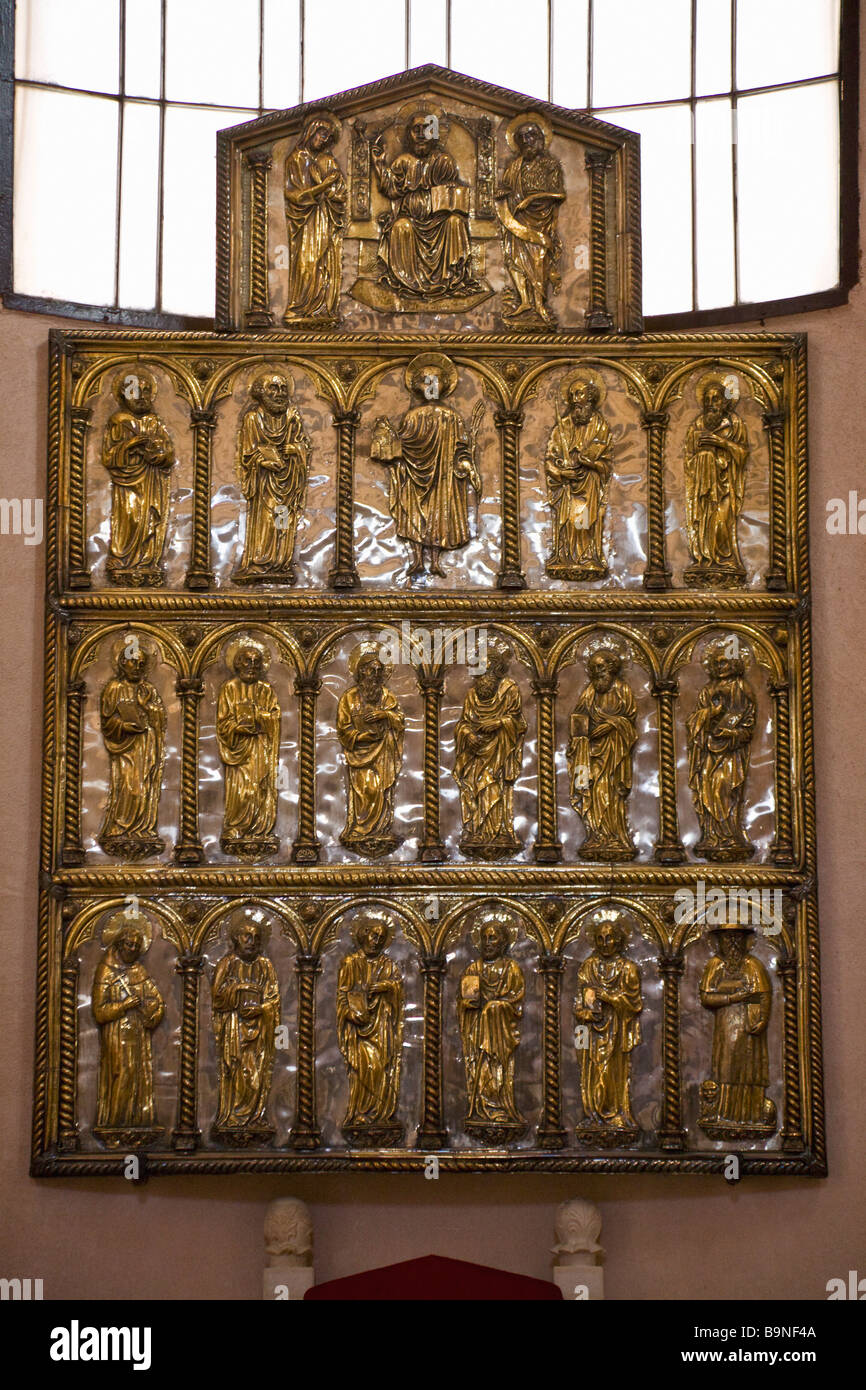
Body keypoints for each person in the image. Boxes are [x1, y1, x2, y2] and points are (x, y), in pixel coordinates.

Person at [371, 352, 481, 579]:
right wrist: (387, 436)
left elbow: (461, 448)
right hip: (414, 474)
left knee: (438, 517)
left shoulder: (452, 417)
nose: (431, 386)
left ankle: (436, 561)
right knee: (416, 517)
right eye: (427, 381)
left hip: (442, 477)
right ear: (420, 386)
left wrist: (466, 465)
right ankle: (418, 560)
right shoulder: (412, 416)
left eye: (436, 382)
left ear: (442, 386)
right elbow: (404, 445)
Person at [370, 108, 481, 303]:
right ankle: (408, 283)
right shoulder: (403, 161)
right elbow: (391, 190)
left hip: (439, 221)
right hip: (411, 220)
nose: (421, 134)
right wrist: (379, 165)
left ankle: (452, 281)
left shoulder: (443, 161)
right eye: (416, 129)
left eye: (427, 129)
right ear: (409, 135)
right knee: (400, 228)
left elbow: (449, 191)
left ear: (435, 134)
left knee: (455, 222)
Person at [92, 910, 165, 1145]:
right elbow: (99, 1012)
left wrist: (152, 1012)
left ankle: (137, 1121)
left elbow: (157, 1000)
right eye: (129, 945)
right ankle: (115, 1122)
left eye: (136, 946)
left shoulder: (139, 971)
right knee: (121, 1073)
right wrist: (124, 1005)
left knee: (138, 1076)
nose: (132, 950)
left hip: (138, 1033)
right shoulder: (106, 971)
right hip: (116, 1034)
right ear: (119, 945)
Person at [233, 371, 311, 585]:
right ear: (261, 393)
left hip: (287, 483)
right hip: (264, 484)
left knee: (282, 521)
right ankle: (259, 562)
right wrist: (262, 460)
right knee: (267, 521)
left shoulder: (291, 416)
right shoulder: (253, 418)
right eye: (273, 389)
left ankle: (279, 562)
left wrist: (293, 450)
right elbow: (248, 453)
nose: (279, 394)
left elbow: (303, 446)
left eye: (283, 389)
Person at [698, 924, 776, 1138]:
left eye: (737, 938)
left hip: (748, 1025)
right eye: (727, 938)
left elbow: (763, 995)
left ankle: (751, 1114)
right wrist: (732, 997)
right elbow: (706, 997)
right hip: (726, 1023)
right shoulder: (715, 965)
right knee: (726, 1065)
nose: (732, 943)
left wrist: (761, 1019)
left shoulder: (754, 965)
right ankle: (723, 1113)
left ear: (746, 942)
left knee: (748, 1068)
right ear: (720, 942)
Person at [102, 370, 175, 586]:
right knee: (130, 518)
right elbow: (109, 457)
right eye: (136, 392)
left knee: (151, 520)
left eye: (146, 392)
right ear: (124, 395)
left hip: (152, 482)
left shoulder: (154, 422)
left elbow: (168, 453)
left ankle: (147, 561)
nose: (142, 397)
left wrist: (158, 455)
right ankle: (122, 561)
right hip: (128, 485)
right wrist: (131, 445)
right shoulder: (118, 420)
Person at [454, 642, 526, 858]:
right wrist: (467, 735)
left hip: (500, 751)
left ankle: (498, 831)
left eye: (481, 664)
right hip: (476, 753)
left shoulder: (509, 689)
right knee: (476, 788)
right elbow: (464, 723)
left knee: (494, 786)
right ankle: (477, 831)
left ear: (493, 666)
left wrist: (499, 723)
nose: (476, 670)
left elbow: (519, 722)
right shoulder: (472, 695)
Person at [212, 918, 280, 1144]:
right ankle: (232, 1117)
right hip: (234, 1030)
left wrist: (261, 1009)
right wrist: (240, 988)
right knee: (238, 1071)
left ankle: (255, 1116)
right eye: (246, 937)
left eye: (256, 938)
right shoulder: (228, 963)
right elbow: (217, 998)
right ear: (235, 940)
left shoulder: (265, 965)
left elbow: (274, 999)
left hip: (259, 1030)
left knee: (256, 1073)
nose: (251, 942)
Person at [574, 916, 642, 1142]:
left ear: (619, 941)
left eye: (609, 938)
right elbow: (579, 1005)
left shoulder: (628, 968)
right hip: (590, 1032)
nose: (605, 943)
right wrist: (585, 1014)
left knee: (613, 1075)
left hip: (618, 1030)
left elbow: (635, 1004)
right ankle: (593, 1115)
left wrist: (610, 998)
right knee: (592, 1072)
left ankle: (616, 1114)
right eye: (600, 939)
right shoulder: (588, 967)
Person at [687, 638, 756, 860]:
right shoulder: (708, 690)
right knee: (708, 788)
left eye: (724, 663)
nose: (720, 668)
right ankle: (712, 836)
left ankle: (730, 835)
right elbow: (694, 721)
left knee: (724, 789)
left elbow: (748, 725)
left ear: (735, 664)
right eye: (716, 664)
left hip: (731, 753)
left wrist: (732, 734)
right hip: (709, 751)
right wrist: (711, 713)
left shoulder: (742, 688)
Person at [336, 916, 404, 1143]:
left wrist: (387, 987)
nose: (376, 941)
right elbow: (342, 996)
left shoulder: (389, 966)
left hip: (383, 1028)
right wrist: (350, 1013)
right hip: (359, 1029)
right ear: (362, 936)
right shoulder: (350, 963)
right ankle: (361, 1113)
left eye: (381, 938)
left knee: (381, 1067)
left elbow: (399, 997)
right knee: (366, 1067)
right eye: (373, 935)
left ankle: (381, 1113)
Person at [567, 645, 637, 860]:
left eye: (600, 666)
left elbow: (629, 719)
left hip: (615, 752)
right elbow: (579, 718)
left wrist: (613, 725)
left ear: (611, 667)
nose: (596, 671)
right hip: (590, 752)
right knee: (594, 789)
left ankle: (614, 835)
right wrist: (583, 733)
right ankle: (597, 834)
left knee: (612, 793)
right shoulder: (589, 692)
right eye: (592, 668)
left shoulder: (622, 689)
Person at [98, 639, 166, 858]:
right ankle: (120, 828)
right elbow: (107, 722)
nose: (137, 667)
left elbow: (160, 719)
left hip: (146, 746)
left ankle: (142, 828)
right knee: (128, 786)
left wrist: (147, 707)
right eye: (132, 662)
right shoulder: (114, 688)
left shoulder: (149, 689)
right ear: (122, 663)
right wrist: (123, 725)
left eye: (141, 664)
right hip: (126, 748)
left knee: (145, 786)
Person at [458, 917, 525, 1137]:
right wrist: (467, 1006)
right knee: (481, 1068)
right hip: (477, 1035)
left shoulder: (512, 969)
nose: (487, 942)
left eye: (493, 938)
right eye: (484, 938)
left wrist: (495, 1007)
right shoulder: (472, 969)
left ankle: (500, 1108)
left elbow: (517, 1002)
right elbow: (464, 1003)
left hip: (500, 1035)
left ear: (504, 942)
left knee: (499, 1070)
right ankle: (481, 1109)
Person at [337, 643, 405, 857]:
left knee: (380, 790)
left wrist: (384, 715)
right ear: (361, 672)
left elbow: (399, 720)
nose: (376, 675)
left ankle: (380, 828)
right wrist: (360, 737)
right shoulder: (349, 697)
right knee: (364, 790)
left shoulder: (386, 696)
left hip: (383, 752)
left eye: (379, 671)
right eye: (371, 670)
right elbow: (343, 728)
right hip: (360, 754)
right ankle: (360, 828)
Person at [496, 115, 564, 327]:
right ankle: (525, 302)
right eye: (522, 137)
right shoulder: (514, 166)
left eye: (531, 136)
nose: (527, 141)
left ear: (540, 138)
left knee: (539, 259)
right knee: (514, 259)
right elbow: (505, 187)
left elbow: (558, 195)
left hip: (539, 219)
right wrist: (502, 194)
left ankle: (540, 305)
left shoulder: (550, 165)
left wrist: (531, 200)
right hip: (517, 219)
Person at [544, 371, 613, 578]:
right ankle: (565, 556)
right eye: (573, 395)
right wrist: (562, 473)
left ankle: (585, 557)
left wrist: (591, 462)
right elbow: (549, 460)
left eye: (580, 394)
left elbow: (606, 462)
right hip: (567, 487)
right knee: (567, 522)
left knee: (582, 521)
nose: (575, 400)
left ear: (591, 398)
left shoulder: (600, 427)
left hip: (589, 485)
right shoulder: (562, 428)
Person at [683, 375, 750, 585]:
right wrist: (703, 460)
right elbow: (688, 456)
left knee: (722, 522)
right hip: (703, 485)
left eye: (716, 399)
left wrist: (720, 442)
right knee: (702, 521)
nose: (711, 404)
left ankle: (725, 560)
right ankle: (704, 559)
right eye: (708, 400)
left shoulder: (735, 423)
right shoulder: (697, 423)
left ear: (725, 402)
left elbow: (742, 453)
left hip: (725, 485)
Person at [217, 638, 281, 856]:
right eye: (247, 662)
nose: (252, 666)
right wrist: (237, 727)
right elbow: (223, 723)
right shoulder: (229, 688)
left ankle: (260, 829)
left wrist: (258, 716)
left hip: (260, 747)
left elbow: (275, 716)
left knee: (260, 788)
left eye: (256, 662)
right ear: (238, 664)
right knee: (241, 791)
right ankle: (236, 826)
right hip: (238, 751)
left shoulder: (266, 689)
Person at [283, 111, 347, 326]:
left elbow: (341, 192)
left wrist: (333, 192)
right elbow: (298, 196)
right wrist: (326, 185)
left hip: (325, 218)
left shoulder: (327, 160)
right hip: (307, 220)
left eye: (329, 137)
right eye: (322, 134)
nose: (325, 140)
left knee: (324, 263)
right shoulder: (297, 159)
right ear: (310, 133)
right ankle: (300, 307)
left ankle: (321, 310)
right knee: (308, 262)